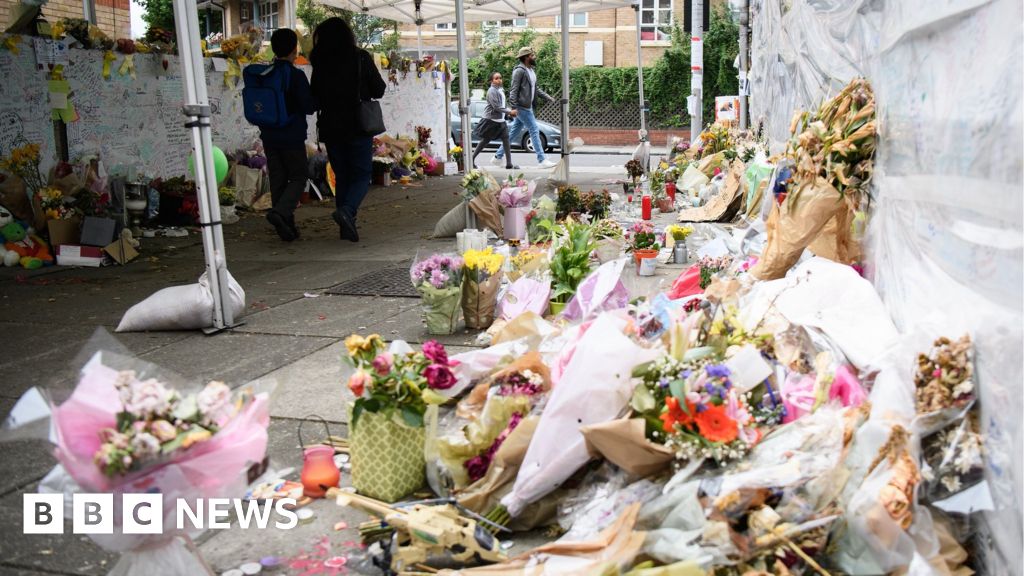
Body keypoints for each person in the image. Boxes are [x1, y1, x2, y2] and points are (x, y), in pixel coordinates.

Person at [310, 17, 386, 242]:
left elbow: (314, 97)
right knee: (362, 174)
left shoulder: (320, 62)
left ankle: (346, 227)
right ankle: (347, 211)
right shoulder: (360, 57)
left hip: (331, 127)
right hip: (358, 124)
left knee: (342, 176)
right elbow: (379, 89)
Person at [262, 28, 315, 242]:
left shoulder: (265, 74)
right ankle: (280, 213)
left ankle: (286, 225)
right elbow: (308, 106)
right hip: (291, 134)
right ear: (295, 48)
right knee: (299, 176)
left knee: (278, 179)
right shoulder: (295, 75)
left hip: (268, 134)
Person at [492, 46, 556, 169]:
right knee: (534, 129)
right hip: (521, 107)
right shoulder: (519, 71)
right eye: (532, 55)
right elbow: (513, 90)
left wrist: (548, 97)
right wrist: (514, 108)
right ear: (526, 57)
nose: (534, 57)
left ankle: (497, 157)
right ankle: (542, 159)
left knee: (514, 133)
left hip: (528, 106)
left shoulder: (531, 71)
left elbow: (535, 89)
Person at [471, 72, 518, 170]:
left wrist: (507, 114)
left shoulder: (500, 90)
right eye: (496, 78)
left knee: (506, 140)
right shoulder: (492, 91)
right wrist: (510, 112)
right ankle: (471, 159)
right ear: (491, 80)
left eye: (500, 78)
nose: (499, 80)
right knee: (485, 141)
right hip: (491, 120)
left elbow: (502, 105)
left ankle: (509, 163)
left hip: (500, 120)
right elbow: (496, 107)